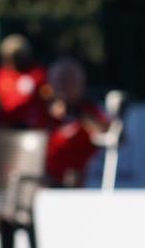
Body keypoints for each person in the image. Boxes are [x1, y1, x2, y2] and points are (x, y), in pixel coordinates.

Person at [44, 57, 111, 187]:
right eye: (60, 80)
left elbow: (108, 132)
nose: (64, 85)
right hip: (40, 180)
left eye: (69, 80)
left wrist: (77, 115)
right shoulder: (41, 109)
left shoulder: (88, 110)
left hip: (74, 184)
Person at [0, 34, 49, 130]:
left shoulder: (38, 75)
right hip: (6, 126)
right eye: (9, 56)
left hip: (33, 127)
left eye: (16, 56)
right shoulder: (0, 76)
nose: (13, 60)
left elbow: (48, 97)